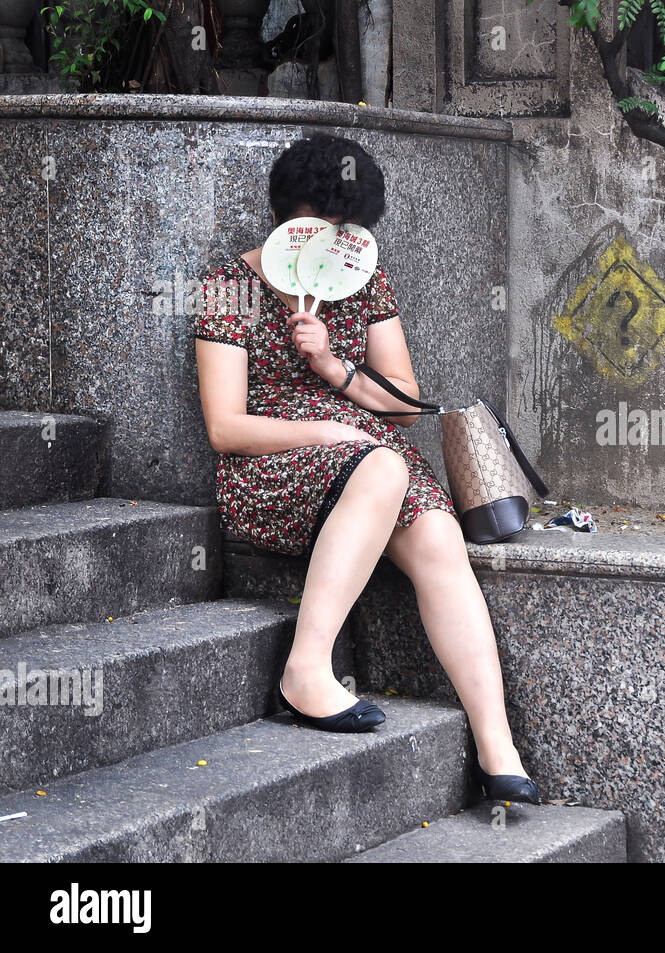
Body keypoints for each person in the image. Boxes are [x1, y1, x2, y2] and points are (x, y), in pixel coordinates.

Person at [192, 133, 538, 804]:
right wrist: (327, 428)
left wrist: (332, 367)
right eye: (323, 224)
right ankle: (306, 668)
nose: (337, 239)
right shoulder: (226, 287)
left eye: (349, 227)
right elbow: (223, 427)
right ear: (286, 216)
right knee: (381, 465)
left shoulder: (362, 279)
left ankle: (497, 743)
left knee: (436, 533)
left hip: (370, 458)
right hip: (270, 467)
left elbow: (402, 404)